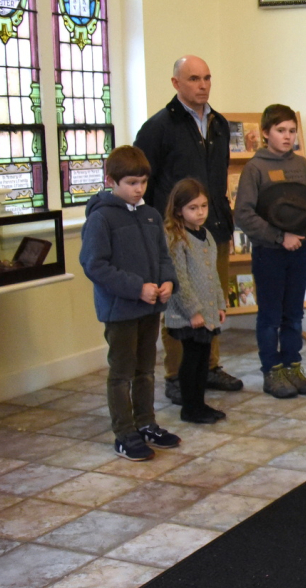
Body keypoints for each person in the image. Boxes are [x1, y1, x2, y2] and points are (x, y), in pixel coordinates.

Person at [134, 55, 243, 405]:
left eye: (207, 78)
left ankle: (208, 367)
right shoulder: (158, 127)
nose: (203, 85)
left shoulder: (220, 124)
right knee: (181, 304)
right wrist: (155, 229)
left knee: (211, 297)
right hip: (176, 234)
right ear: (176, 83)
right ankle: (176, 375)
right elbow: (144, 184)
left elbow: (219, 176)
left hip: (212, 229)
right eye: (194, 78)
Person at [80, 146, 183, 461]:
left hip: (150, 309)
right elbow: (95, 265)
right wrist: (136, 288)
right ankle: (125, 433)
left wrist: (167, 282)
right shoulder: (101, 218)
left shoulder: (150, 215)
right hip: (121, 310)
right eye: (131, 183)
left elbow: (164, 256)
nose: (138, 189)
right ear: (111, 180)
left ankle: (146, 423)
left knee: (146, 370)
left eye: (143, 182)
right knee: (122, 372)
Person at [233, 103, 306, 399]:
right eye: (281, 130)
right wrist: (279, 236)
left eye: (292, 130)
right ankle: (272, 371)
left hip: (300, 251)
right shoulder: (255, 168)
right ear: (265, 132)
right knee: (271, 315)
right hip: (270, 252)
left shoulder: (302, 166)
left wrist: (305, 236)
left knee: (293, 314)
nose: (287, 136)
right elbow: (244, 214)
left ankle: (293, 366)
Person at [163, 178, 228, 424]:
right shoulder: (176, 238)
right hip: (188, 315)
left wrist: (220, 305)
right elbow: (178, 279)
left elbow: (214, 275)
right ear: (179, 209)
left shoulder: (207, 235)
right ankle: (190, 408)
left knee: (203, 361)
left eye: (203, 206)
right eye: (193, 208)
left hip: (208, 312)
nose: (200, 212)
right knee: (191, 360)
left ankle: (200, 404)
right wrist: (193, 311)